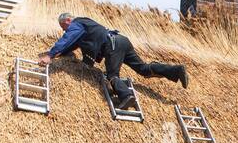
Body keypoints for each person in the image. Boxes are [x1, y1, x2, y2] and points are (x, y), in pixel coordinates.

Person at [38, 13, 188, 109]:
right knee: (144, 69)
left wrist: (50, 55)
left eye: (64, 27)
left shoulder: (77, 23)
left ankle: (125, 96)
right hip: (122, 41)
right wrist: (60, 53)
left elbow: (67, 38)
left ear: (68, 20)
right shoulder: (85, 29)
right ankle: (176, 71)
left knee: (112, 76)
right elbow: (71, 45)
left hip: (112, 45)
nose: (64, 30)